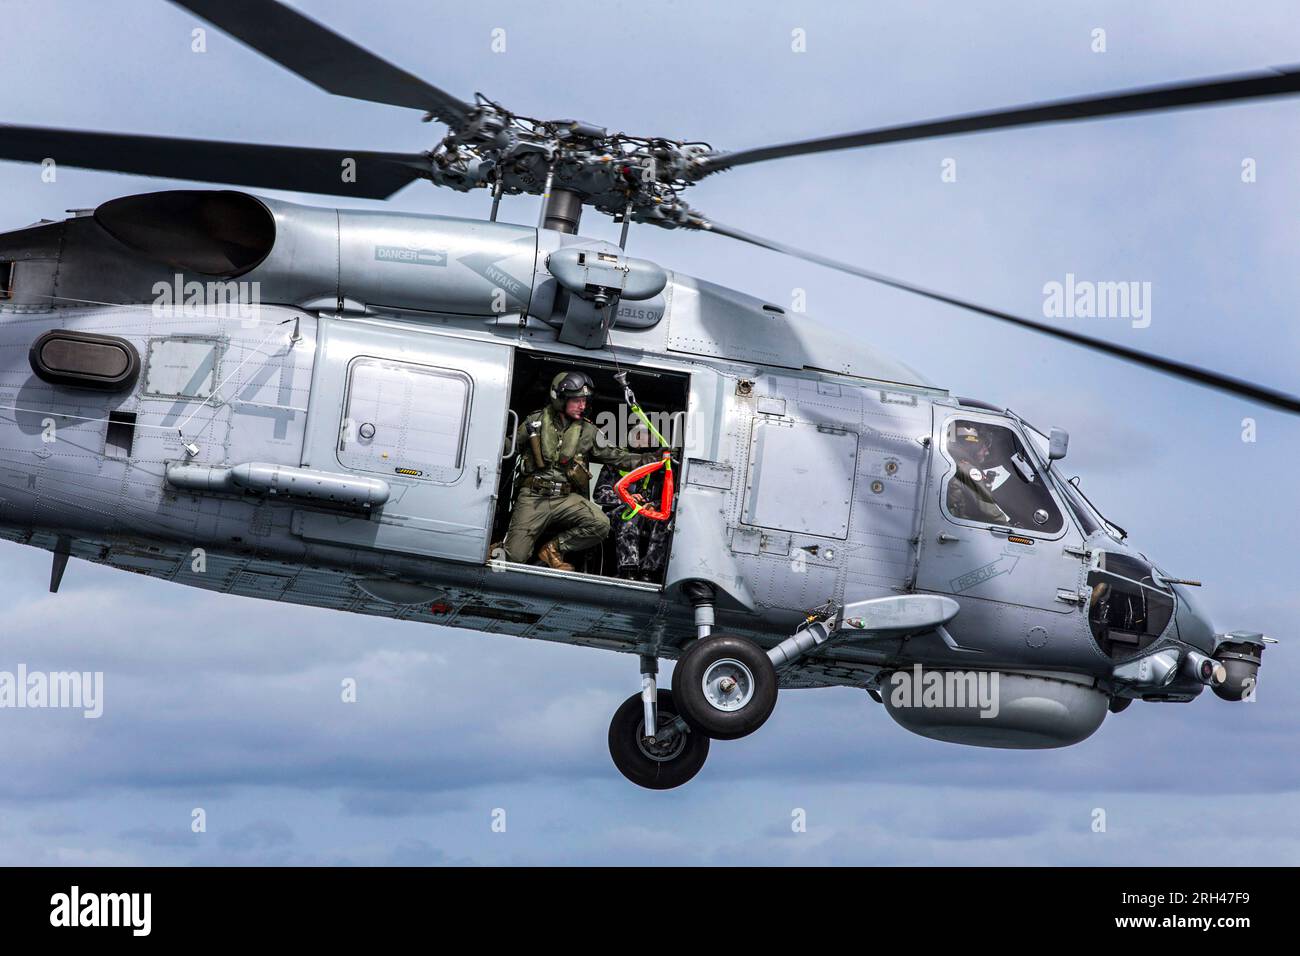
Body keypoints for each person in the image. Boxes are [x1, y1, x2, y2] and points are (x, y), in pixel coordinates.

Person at [504, 371, 656, 571]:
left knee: (601, 524)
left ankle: (552, 549)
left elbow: (618, 457)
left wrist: (652, 458)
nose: (582, 406)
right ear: (560, 398)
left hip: (566, 498)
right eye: (576, 400)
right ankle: (504, 545)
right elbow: (510, 445)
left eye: (584, 400)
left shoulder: (588, 431)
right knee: (514, 558)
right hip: (533, 496)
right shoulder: (534, 421)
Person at [592, 423, 672, 581]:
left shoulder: (659, 466)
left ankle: (650, 572)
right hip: (619, 511)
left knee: (664, 520)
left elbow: (666, 496)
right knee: (629, 518)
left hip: (648, 511)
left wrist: (654, 505)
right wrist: (626, 498)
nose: (643, 437)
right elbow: (599, 494)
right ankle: (629, 571)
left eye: (647, 434)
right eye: (638, 433)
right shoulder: (616, 462)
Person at [946, 423, 1012, 523]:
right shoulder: (968, 470)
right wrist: (1007, 526)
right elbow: (987, 506)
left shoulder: (957, 465)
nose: (987, 452)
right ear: (972, 447)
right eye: (982, 446)